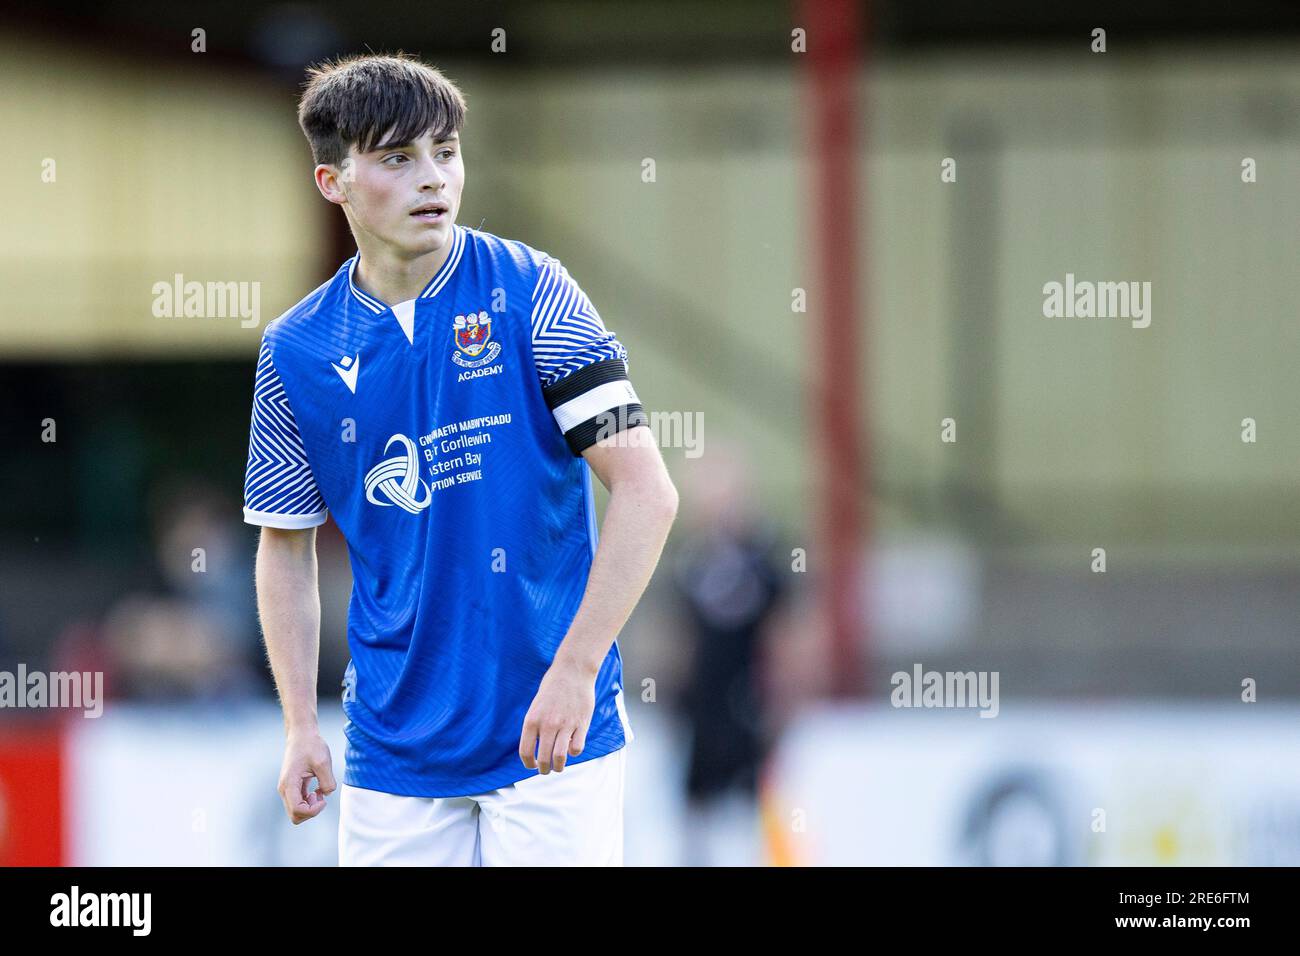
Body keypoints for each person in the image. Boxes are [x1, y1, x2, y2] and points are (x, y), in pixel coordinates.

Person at [242, 53, 678, 866]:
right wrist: (301, 725)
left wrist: (577, 668)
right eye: (398, 159)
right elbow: (284, 549)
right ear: (333, 183)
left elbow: (648, 493)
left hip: (554, 730)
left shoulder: (534, 289)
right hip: (393, 750)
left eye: (445, 152)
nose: (432, 178)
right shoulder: (295, 350)